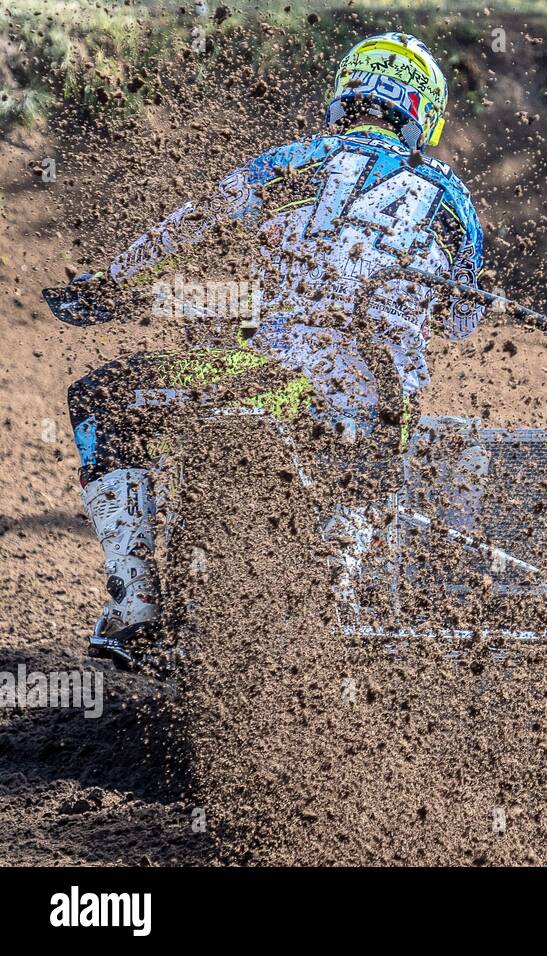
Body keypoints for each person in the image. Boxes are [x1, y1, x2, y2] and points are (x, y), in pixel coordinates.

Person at [51, 33, 485, 667]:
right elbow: (460, 323)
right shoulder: (456, 203)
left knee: (101, 400)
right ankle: (335, 602)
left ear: (347, 95)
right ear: (424, 115)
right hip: (387, 415)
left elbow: (189, 228)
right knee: (360, 492)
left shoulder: (294, 160)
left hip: (277, 377)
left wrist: (112, 286)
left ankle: (135, 603)